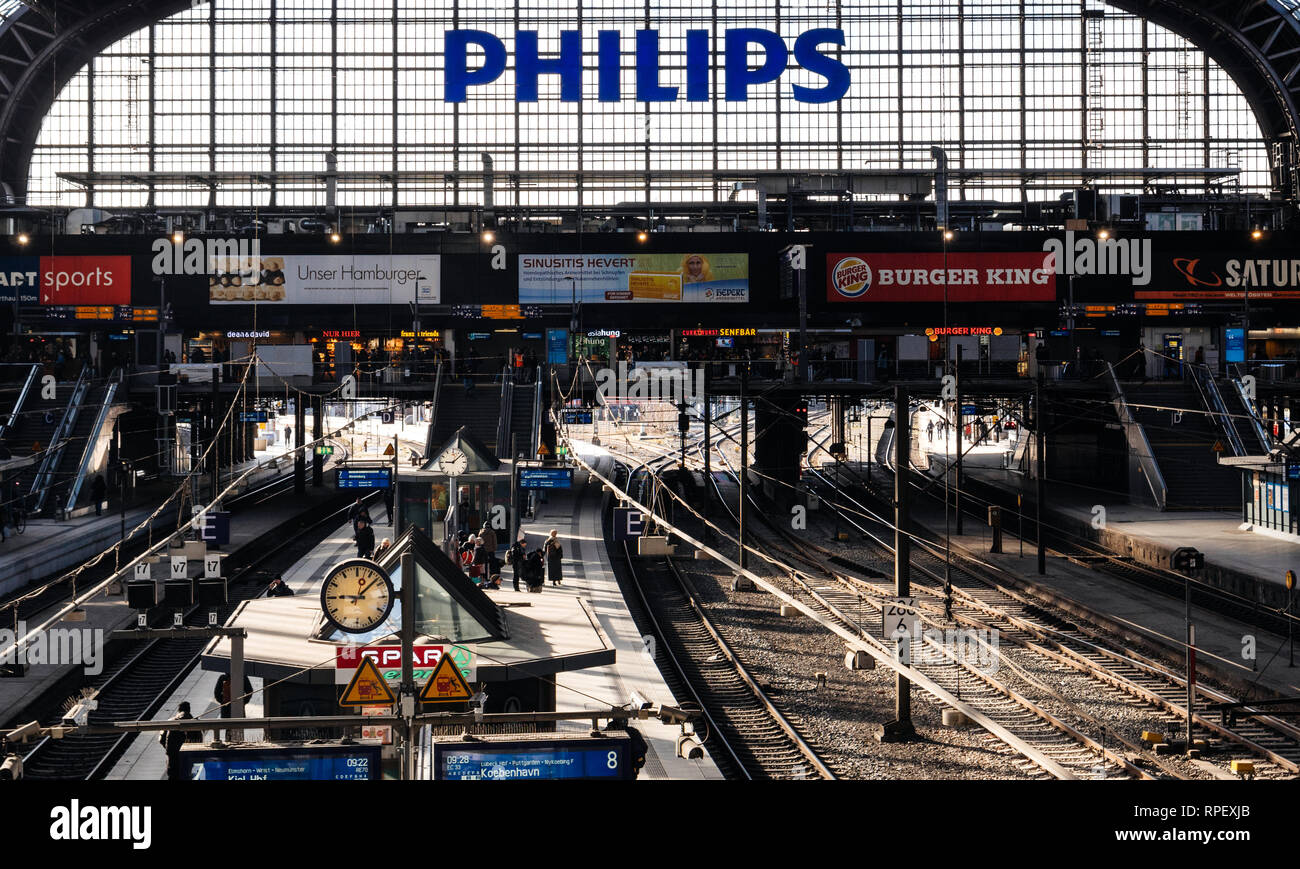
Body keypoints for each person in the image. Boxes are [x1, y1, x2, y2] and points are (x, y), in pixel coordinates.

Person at [161, 701, 202, 780]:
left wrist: (168, 748)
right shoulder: (195, 723)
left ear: (179, 710)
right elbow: (200, 741)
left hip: (173, 757)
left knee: (173, 776)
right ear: (189, 710)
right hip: (190, 758)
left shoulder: (171, 721)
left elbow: (161, 739)